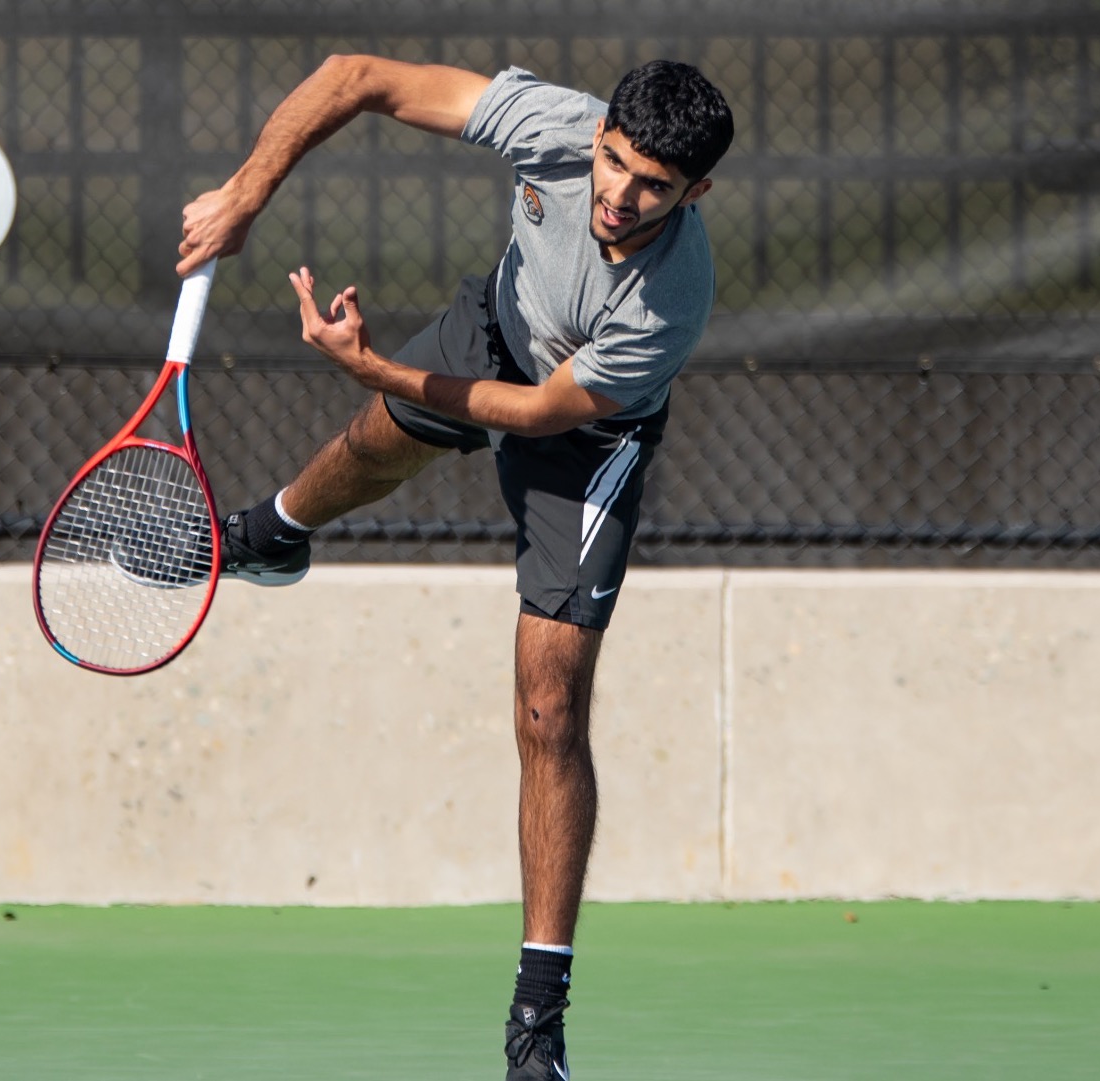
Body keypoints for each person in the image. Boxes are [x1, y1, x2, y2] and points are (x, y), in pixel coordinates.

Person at [176, 53, 732, 1081]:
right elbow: (355, 78)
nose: (616, 193)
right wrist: (245, 197)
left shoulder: (672, 296)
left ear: (694, 192)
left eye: (651, 184)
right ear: (596, 132)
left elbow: (532, 416)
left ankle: (536, 1022)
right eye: (610, 160)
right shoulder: (553, 126)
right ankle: (275, 533)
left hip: (583, 435)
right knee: (372, 445)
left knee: (547, 708)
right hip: (496, 329)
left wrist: (374, 365)